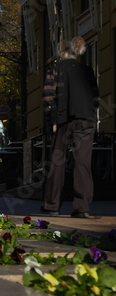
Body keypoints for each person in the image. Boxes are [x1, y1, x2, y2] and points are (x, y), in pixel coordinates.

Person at [42, 37, 99, 218]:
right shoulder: (87, 71)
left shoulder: (55, 70)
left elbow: (48, 99)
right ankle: (82, 208)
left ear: (61, 53)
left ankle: (52, 205)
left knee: (57, 161)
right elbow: (95, 97)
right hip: (86, 118)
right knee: (83, 162)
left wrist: (51, 119)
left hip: (64, 119)